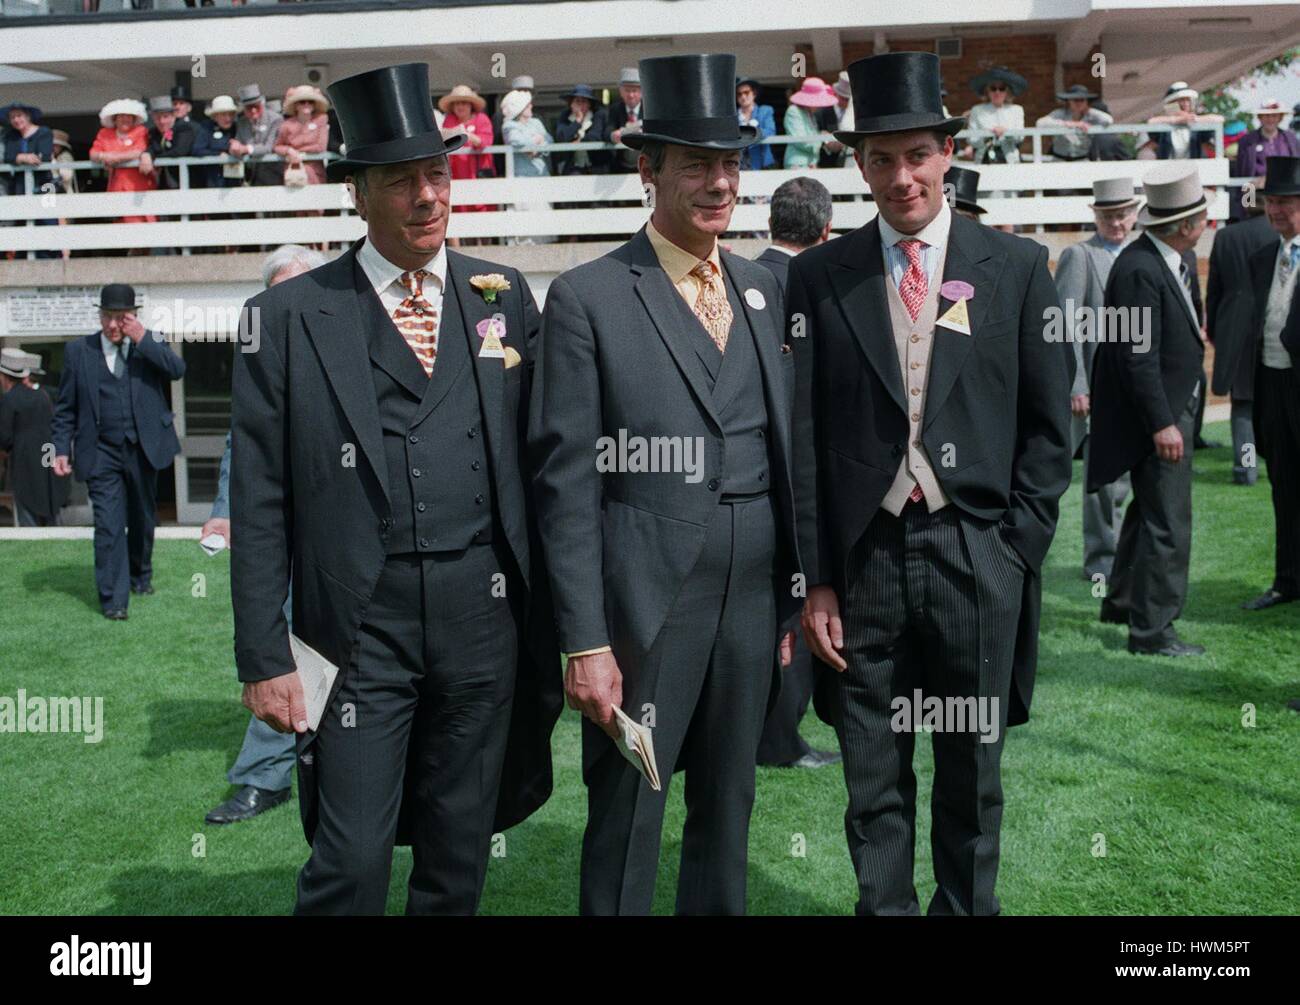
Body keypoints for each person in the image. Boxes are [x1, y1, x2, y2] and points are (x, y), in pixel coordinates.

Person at [231, 62, 560, 915]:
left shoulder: (501, 293)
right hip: (357, 631)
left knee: (458, 857)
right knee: (351, 859)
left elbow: (545, 462)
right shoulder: (287, 318)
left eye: (437, 174)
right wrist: (264, 656)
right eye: (401, 181)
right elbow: (260, 498)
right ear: (358, 194)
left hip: (484, 621)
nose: (427, 197)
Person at [789, 51, 1073, 916]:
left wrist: (1014, 552)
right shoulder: (819, 274)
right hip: (864, 562)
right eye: (881, 159)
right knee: (871, 776)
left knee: (971, 775)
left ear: (949, 152)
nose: (901, 176)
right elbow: (802, 437)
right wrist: (819, 577)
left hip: (975, 551)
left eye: (917, 154)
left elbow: (1051, 428)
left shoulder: (1016, 267)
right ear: (860, 165)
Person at [530, 52, 798, 916]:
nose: (719, 183)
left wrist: (786, 602)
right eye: (695, 165)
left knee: (728, 811)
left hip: (751, 604)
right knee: (627, 817)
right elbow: (565, 485)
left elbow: (781, 453)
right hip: (645, 608)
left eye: (730, 163)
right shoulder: (589, 297)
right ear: (648, 169)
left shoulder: (761, 287)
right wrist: (585, 639)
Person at [203, 245, 325, 826]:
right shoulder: (260, 353)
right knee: (278, 641)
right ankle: (264, 774)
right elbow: (242, 442)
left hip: (354, 531)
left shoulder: (352, 337)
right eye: (278, 295)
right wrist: (223, 510)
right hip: (281, 529)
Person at [1088, 164, 1209, 657]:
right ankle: (1154, 631)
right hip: (1158, 415)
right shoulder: (1140, 268)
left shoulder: (1167, 259)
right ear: (1184, 225)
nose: (1207, 224)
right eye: (1202, 217)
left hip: (1167, 408)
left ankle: (1121, 603)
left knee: (1148, 512)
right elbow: (1136, 356)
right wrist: (1162, 423)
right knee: (1168, 523)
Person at [751, 175, 838, 771]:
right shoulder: (814, 285)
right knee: (798, 602)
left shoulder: (741, 279)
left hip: (748, 477)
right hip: (799, 475)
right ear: (826, 230)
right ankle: (780, 737)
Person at [50, 283, 186, 620]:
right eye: (107, 316)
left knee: (142, 518)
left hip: (143, 448)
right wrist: (60, 449)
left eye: (120, 317)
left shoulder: (150, 342)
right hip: (100, 453)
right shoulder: (78, 351)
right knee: (108, 525)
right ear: (99, 316)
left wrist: (142, 338)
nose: (113, 325)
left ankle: (140, 574)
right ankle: (113, 600)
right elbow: (65, 408)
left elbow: (176, 370)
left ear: (132, 316)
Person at [1054, 177, 1140, 580]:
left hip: (1136, 388)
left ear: (1134, 214)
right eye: (1108, 216)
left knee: (1129, 480)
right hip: (1097, 389)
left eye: (1122, 215)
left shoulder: (1142, 254)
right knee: (1100, 481)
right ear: (1095, 216)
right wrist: (1077, 384)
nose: (1116, 223)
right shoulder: (1080, 256)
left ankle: (1129, 554)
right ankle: (1101, 560)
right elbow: (1064, 325)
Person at [1239, 156, 1300, 611]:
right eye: (1271, 202)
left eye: (1286, 202)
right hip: (1273, 388)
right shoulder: (1263, 257)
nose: (1276, 211)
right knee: (1283, 486)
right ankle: (1287, 580)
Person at [1207, 197, 1275, 485]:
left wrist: (1214, 331)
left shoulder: (1226, 236)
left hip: (1234, 331)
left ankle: (1246, 468)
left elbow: (1214, 290)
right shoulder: (1280, 233)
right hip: (1274, 326)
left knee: (1243, 404)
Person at [0, 348, 66, 527]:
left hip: (23, 463)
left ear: (4, 376)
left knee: (27, 514)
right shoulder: (42, 396)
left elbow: (5, 438)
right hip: (46, 456)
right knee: (46, 502)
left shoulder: (9, 399)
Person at [1230, 98, 1300, 221]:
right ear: (1260, 117)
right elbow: (1241, 174)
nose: (1270, 119)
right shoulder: (1247, 141)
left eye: (1274, 116)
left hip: (1284, 192)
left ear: (1280, 117)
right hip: (1254, 192)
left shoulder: (1291, 139)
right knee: (1250, 221)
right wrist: (1244, 204)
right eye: (1266, 116)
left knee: (1284, 221)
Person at [90, 99, 155, 223]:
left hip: (138, 187)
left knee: (139, 223)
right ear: (114, 119)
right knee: (119, 226)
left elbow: (139, 151)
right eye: (121, 116)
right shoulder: (104, 133)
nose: (125, 119)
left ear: (134, 119)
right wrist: (104, 156)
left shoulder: (141, 131)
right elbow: (93, 153)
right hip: (115, 187)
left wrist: (114, 158)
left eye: (129, 116)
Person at [961, 66, 1026, 165]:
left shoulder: (1017, 110)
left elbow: (1020, 137)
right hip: (984, 158)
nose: (997, 92)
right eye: (993, 88)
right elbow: (971, 139)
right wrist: (987, 136)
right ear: (988, 91)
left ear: (1007, 92)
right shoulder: (977, 110)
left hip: (1010, 159)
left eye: (1002, 88)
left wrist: (1005, 132)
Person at [1147, 82, 1222, 161]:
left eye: (1188, 100)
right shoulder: (1165, 123)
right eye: (1181, 100)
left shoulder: (1195, 122)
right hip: (1168, 166)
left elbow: (1219, 119)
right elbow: (1151, 122)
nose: (1186, 104)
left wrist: (1194, 119)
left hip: (1193, 165)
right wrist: (1178, 119)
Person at [274, 85, 331, 186]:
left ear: (314, 105)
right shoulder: (286, 124)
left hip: (315, 172)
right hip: (294, 173)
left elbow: (321, 147)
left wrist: (297, 152)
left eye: (310, 101)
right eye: (302, 102)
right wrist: (288, 150)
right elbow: (277, 146)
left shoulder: (321, 119)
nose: (307, 104)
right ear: (296, 105)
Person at [1037, 85, 1112, 161]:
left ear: (1087, 102)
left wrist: (1089, 110)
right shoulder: (1060, 114)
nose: (1079, 103)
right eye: (1075, 100)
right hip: (1059, 160)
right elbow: (1040, 123)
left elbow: (1108, 120)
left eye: (1082, 100)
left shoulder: (1091, 115)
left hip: (1081, 160)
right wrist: (1070, 124)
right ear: (1069, 101)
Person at [234, 84, 285, 186]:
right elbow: (238, 143)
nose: (253, 110)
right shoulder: (241, 122)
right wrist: (234, 148)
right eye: (249, 107)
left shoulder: (275, 119)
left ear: (261, 103)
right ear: (244, 108)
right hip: (250, 174)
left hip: (273, 173)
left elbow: (268, 147)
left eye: (256, 106)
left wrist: (246, 149)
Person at [144, 94, 198, 190]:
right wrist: (146, 154)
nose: (162, 121)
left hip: (186, 183)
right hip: (164, 184)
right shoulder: (153, 132)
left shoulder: (184, 128)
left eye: (165, 117)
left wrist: (154, 158)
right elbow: (152, 148)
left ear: (173, 116)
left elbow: (179, 151)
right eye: (157, 118)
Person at [553, 84, 609, 175]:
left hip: (597, 165)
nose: (580, 105)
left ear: (589, 104)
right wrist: (578, 121)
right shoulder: (564, 116)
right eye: (577, 101)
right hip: (573, 167)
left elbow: (595, 137)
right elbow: (562, 137)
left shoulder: (598, 115)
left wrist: (578, 142)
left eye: (584, 101)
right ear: (571, 104)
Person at [194, 95, 246, 189]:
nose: (228, 118)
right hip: (214, 181)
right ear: (215, 116)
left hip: (237, 181)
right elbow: (197, 150)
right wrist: (218, 154)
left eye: (230, 114)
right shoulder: (207, 129)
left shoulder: (238, 128)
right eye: (223, 115)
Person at [783, 77, 836, 169]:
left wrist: (822, 135)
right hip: (797, 165)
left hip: (811, 164)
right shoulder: (794, 111)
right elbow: (801, 140)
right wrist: (822, 139)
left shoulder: (810, 114)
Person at [605, 67, 644, 174]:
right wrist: (613, 135)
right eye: (627, 91)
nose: (631, 95)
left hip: (646, 164)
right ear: (621, 92)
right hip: (621, 166)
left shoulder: (649, 109)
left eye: (634, 91)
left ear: (641, 92)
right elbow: (607, 130)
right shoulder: (615, 109)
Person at [736, 76, 775, 171]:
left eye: (746, 92)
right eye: (739, 94)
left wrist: (751, 133)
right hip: (738, 163)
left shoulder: (765, 110)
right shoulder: (733, 116)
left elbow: (770, 131)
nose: (743, 97)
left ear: (754, 94)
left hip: (761, 162)